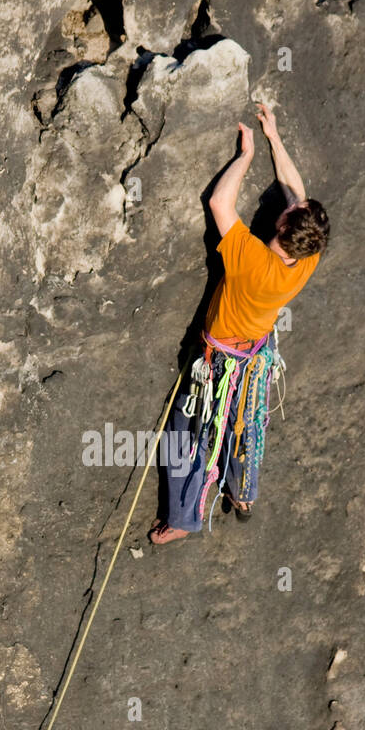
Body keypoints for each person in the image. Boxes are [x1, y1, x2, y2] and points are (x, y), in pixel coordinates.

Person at [149, 103, 328, 545]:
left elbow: (218, 202)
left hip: (217, 360)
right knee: (245, 421)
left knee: (187, 434)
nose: (289, 203)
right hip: (254, 355)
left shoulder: (250, 259)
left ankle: (183, 520)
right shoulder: (308, 257)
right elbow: (295, 192)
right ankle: (243, 494)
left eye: (290, 210)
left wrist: (246, 155)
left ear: (281, 229)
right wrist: (275, 137)